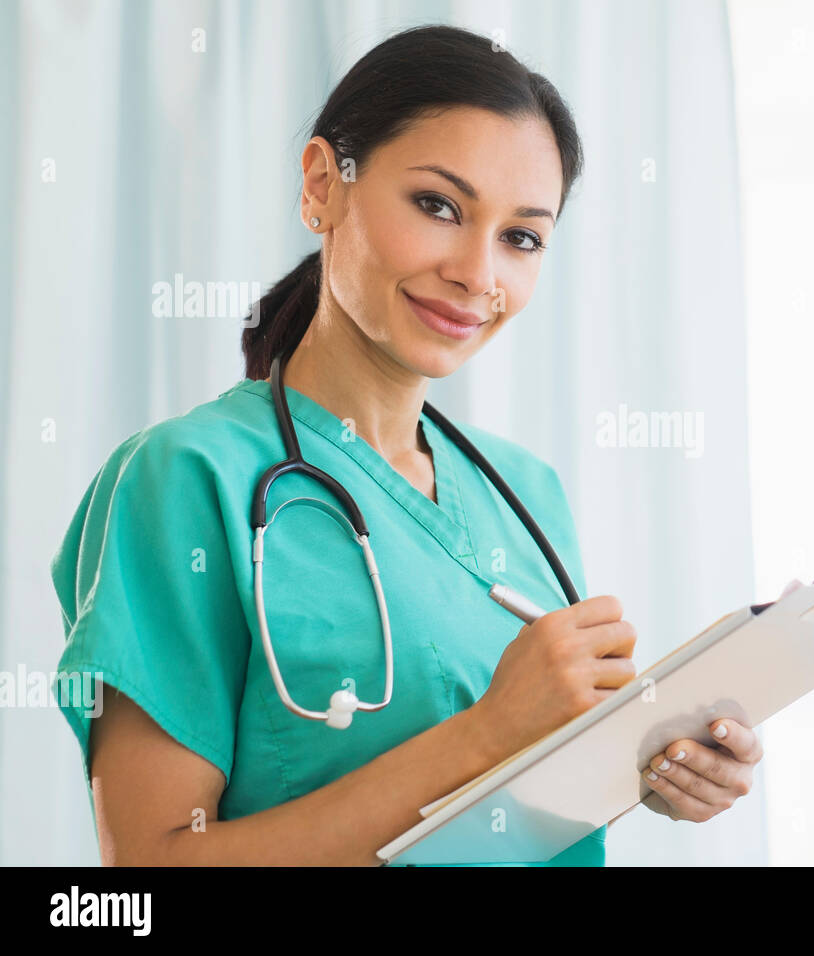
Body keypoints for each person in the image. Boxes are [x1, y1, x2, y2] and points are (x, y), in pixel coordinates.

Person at [49, 23, 762, 867]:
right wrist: (487, 732)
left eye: (521, 237)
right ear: (324, 186)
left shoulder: (524, 494)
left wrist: (646, 768)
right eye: (438, 206)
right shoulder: (184, 480)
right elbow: (149, 870)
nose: (478, 274)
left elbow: (516, 815)